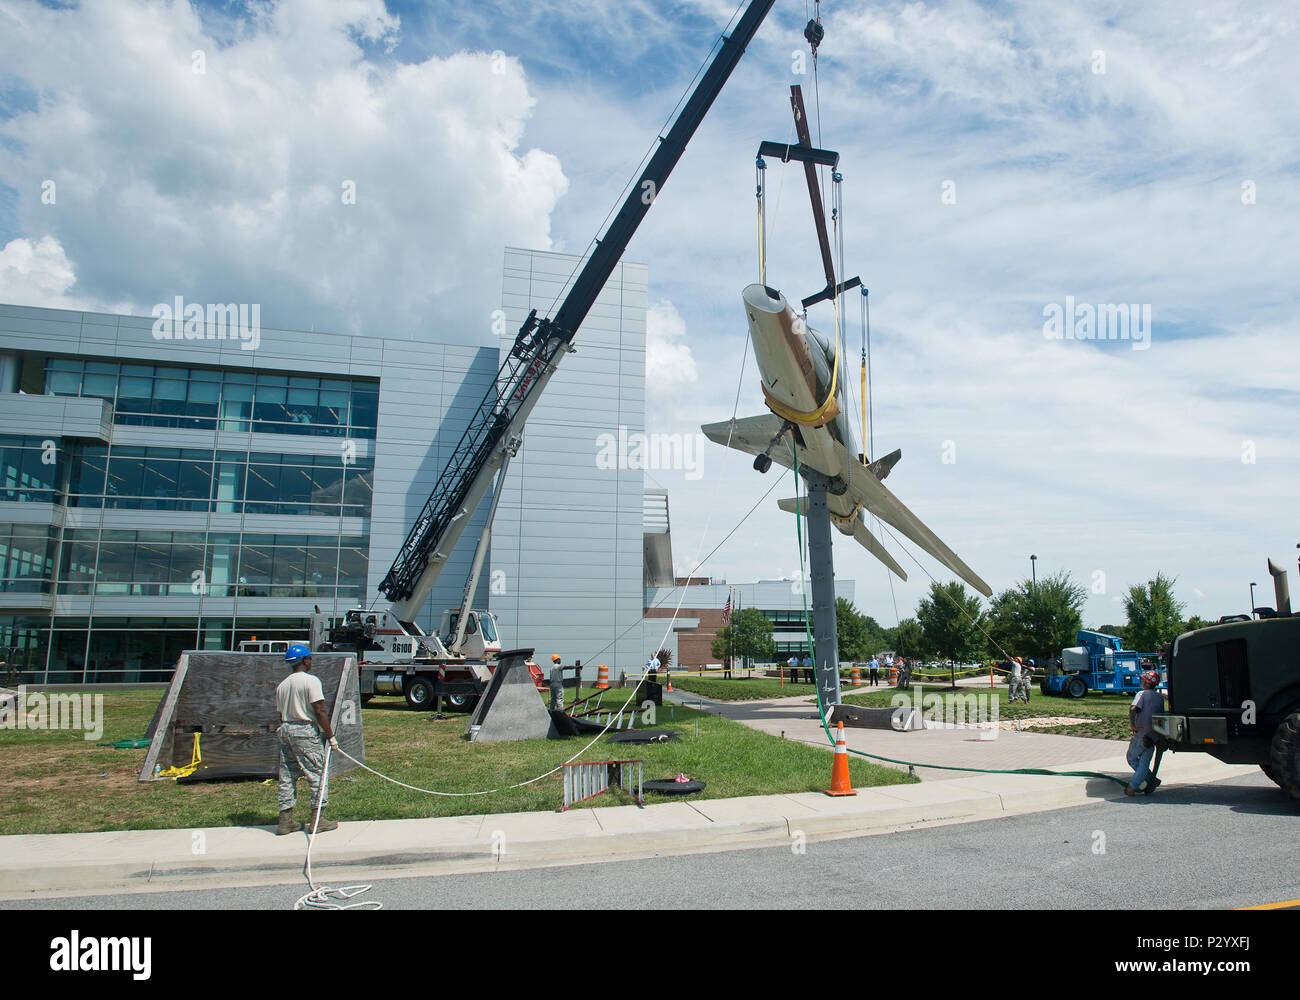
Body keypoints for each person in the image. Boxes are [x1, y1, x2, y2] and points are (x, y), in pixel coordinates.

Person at [275, 643, 339, 835]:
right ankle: (318, 820)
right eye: (309, 658)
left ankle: (285, 820)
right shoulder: (310, 681)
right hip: (304, 731)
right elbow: (319, 710)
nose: (311, 661)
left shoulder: (282, 685)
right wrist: (331, 736)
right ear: (304, 660)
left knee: (287, 775)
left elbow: (280, 714)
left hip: (286, 729)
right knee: (318, 774)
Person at [1126, 670, 1163, 797]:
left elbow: (1132, 709)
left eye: (1143, 680)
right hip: (1153, 737)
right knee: (1144, 762)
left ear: (1146, 683)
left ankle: (1132, 787)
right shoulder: (1159, 697)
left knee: (1131, 759)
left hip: (1141, 734)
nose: (1141, 682)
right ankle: (1152, 779)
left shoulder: (1141, 694)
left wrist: (1132, 724)